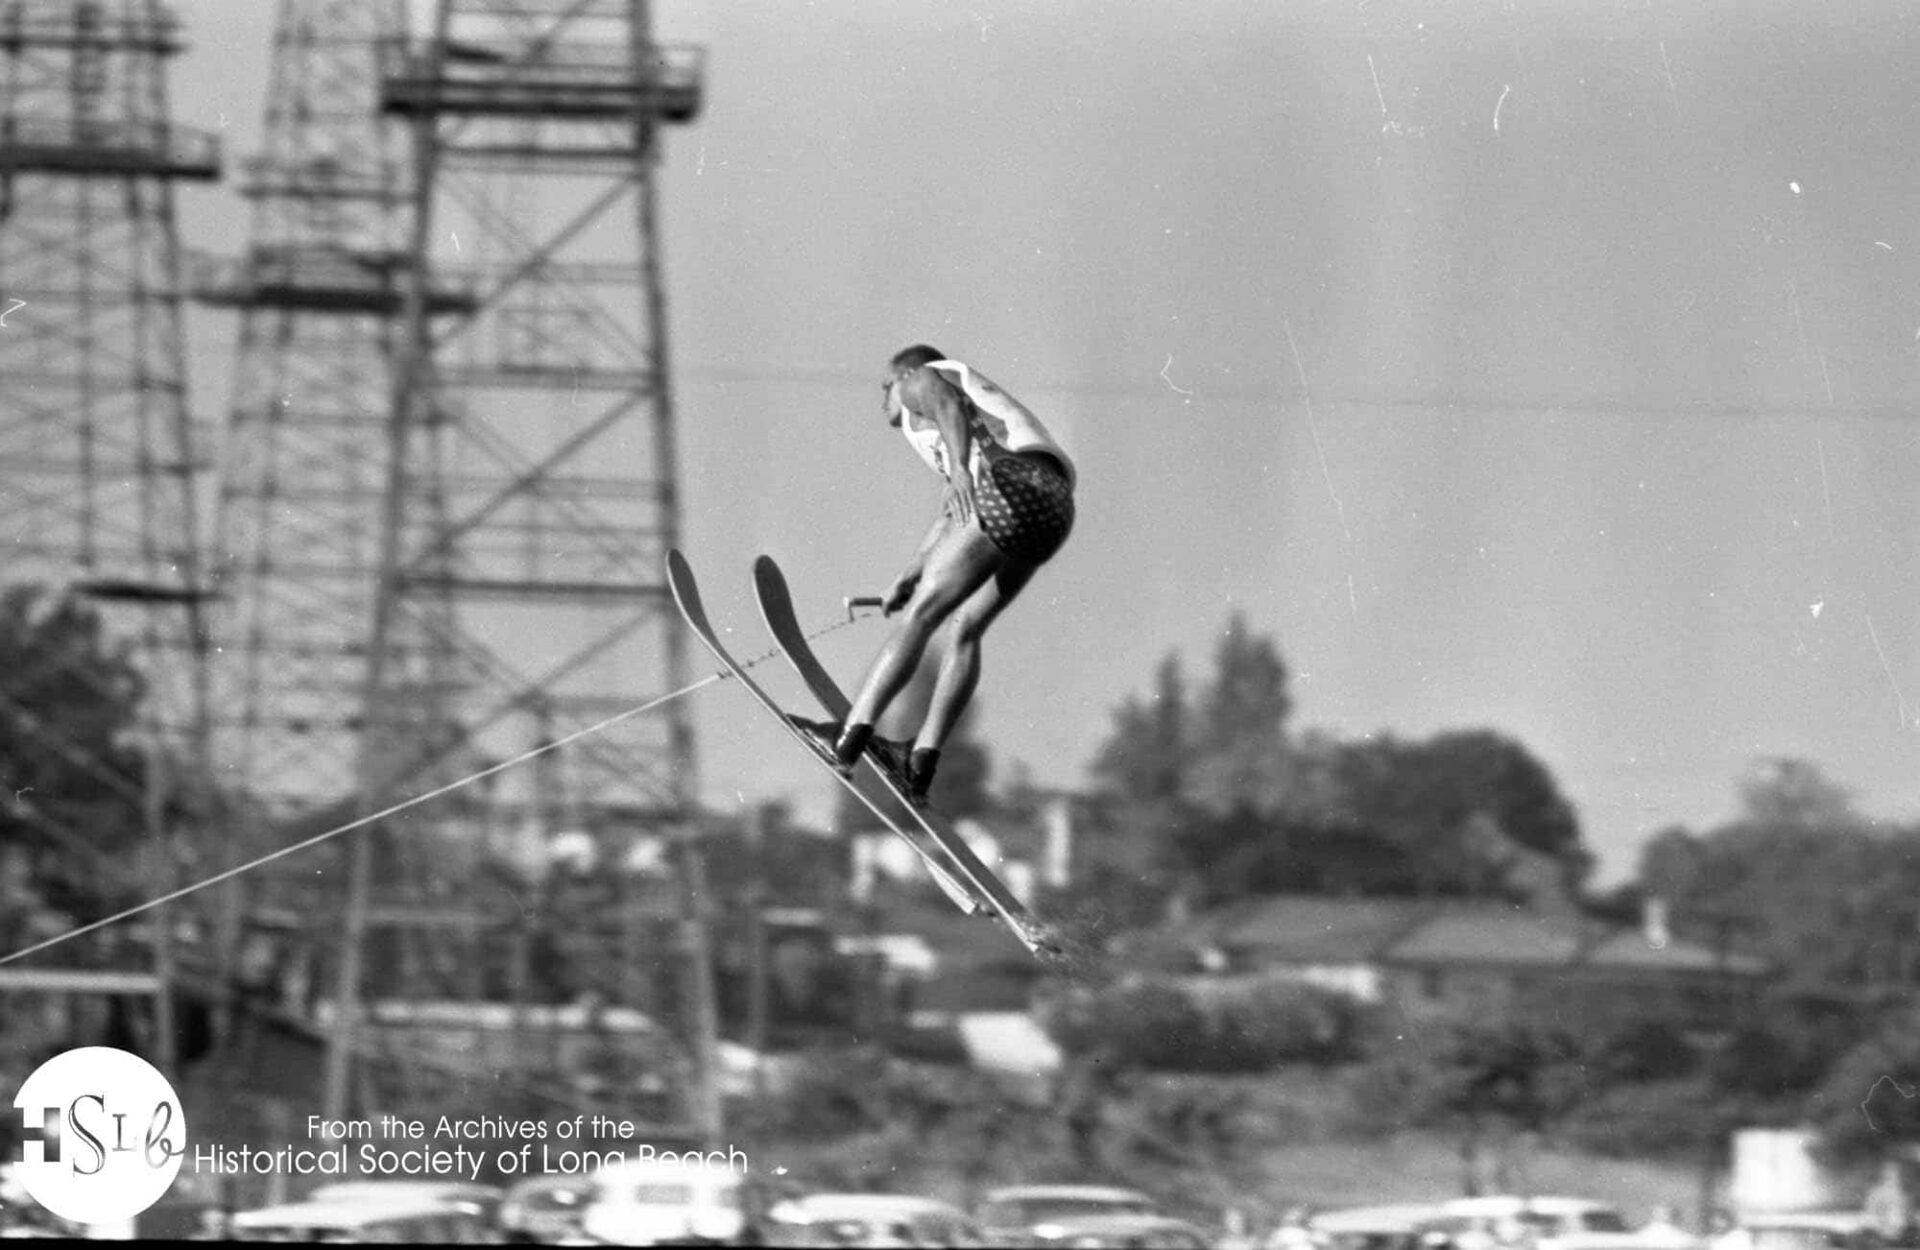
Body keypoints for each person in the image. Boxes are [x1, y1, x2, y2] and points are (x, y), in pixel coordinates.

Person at [795, 344, 1077, 803]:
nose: (886, 400)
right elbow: (955, 516)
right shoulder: (964, 425)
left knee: (921, 618)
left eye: (884, 389)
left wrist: (964, 472)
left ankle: (847, 741)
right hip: (1052, 507)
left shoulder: (919, 379)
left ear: (899, 377)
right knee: (965, 628)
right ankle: (919, 759)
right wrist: (910, 573)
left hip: (1008, 486)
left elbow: (941, 403)